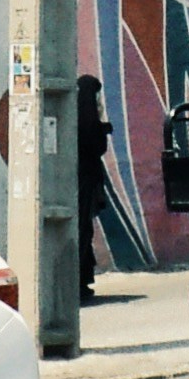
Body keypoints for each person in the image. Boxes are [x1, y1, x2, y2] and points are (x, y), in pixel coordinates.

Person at [76, 72, 112, 299]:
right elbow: (96, 144)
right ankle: (79, 280)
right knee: (81, 229)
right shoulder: (87, 123)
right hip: (83, 180)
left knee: (83, 229)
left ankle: (83, 280)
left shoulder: (80, 119)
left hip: (85, 179)